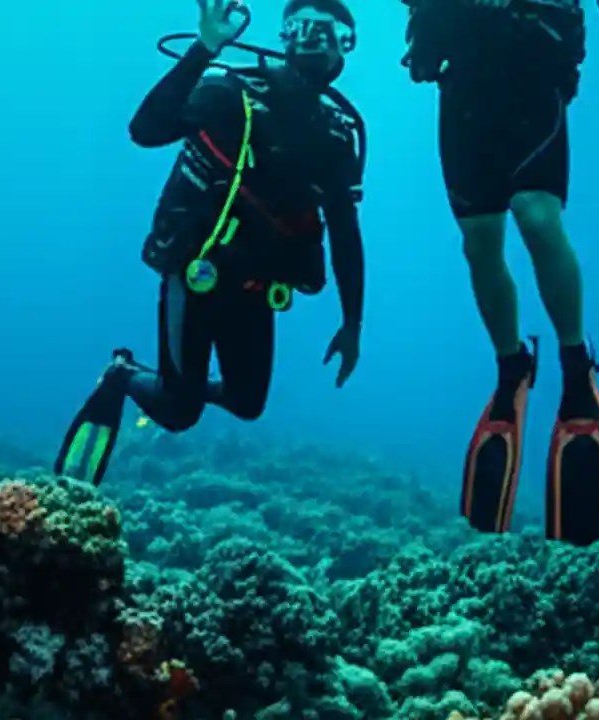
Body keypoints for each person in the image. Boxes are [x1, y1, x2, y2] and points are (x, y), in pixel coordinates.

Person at [55, 0, 367, 485]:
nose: (316, 44)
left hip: (257, 287)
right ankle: (122, 375)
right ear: (285, 37)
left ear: (346, 48)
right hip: (199, 270)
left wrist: (353, 322)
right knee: (180, 412)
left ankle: (180, 384)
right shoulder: (230, 92)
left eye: (331, 35)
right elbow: (145, 130)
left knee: (248, 404)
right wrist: (204, 48)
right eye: (305, 30)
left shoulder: (335, 136)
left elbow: (346, 231)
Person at [403, 0, 599, 546]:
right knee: (479, 244)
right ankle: (511, 365)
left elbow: (569, 38)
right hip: (464, 105)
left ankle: (575, 363)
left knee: (537, 215)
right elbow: (421, 58)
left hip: (532, 94)